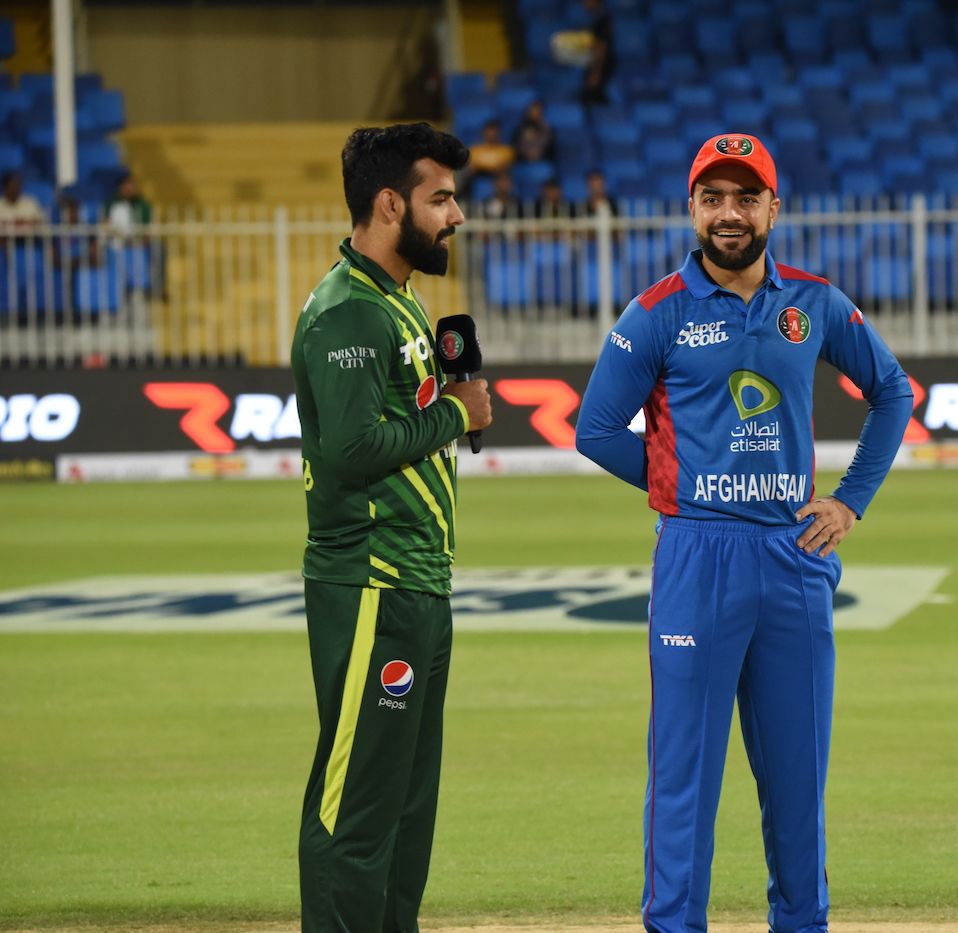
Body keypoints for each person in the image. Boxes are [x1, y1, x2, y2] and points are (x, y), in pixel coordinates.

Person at [575, 133, 913, 933]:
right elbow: (594, 429)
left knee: (797, 777)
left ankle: (803, 922)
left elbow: (892, 391)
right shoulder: (655, 312)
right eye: (714, 197)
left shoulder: (816, 303)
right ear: (692, 208)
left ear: (773, 208)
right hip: (698, 557)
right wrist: (680, 489)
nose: (730, 213)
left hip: (795, 556)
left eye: (746, 196)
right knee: (684, 775)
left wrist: (850, 501)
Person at [291, 122, 492, 933]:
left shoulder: (399, 301)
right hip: (371, 584)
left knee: (408, 807)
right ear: (388, 203)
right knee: (357, 805)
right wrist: (454, 410)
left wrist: (445, 397)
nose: (457, 216)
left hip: (417, 585)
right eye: (440, 198)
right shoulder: (346, 315)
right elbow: (349, 454)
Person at [581, 0, 615, 105]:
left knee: (593, 96)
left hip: (601, 65)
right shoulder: (597, 17)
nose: (585, 3)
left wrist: (596, 72)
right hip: (596, 64)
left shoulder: (602, 18)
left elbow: (601, 48)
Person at [465, 120, 515, 185]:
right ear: (484, 132)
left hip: (499, 183)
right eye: (490, 131)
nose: (492, 134)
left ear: (499, 133)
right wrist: (493, 167)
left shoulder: (507, 151)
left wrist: (482, 167)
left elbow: (504, 170)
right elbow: (471, 170)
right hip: (478, 182)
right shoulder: (474, 150)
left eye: (495, 131)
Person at [511, 98, 556, 164]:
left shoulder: (548, 131)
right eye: (534, 110)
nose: (536, 113)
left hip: (542, 163)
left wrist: (539, 153)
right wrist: (526, 153)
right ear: (528, 112)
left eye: (539, 111)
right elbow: (515, 147)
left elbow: (551, 151)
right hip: (523, 162)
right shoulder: (520, 130)